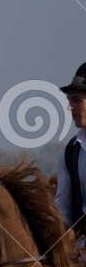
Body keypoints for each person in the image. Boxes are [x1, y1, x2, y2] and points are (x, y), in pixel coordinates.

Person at [52, 63, 86, 249]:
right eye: (70, 101)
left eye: (76, 100)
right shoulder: (70, 152)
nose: (70, 108)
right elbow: (62, 210)